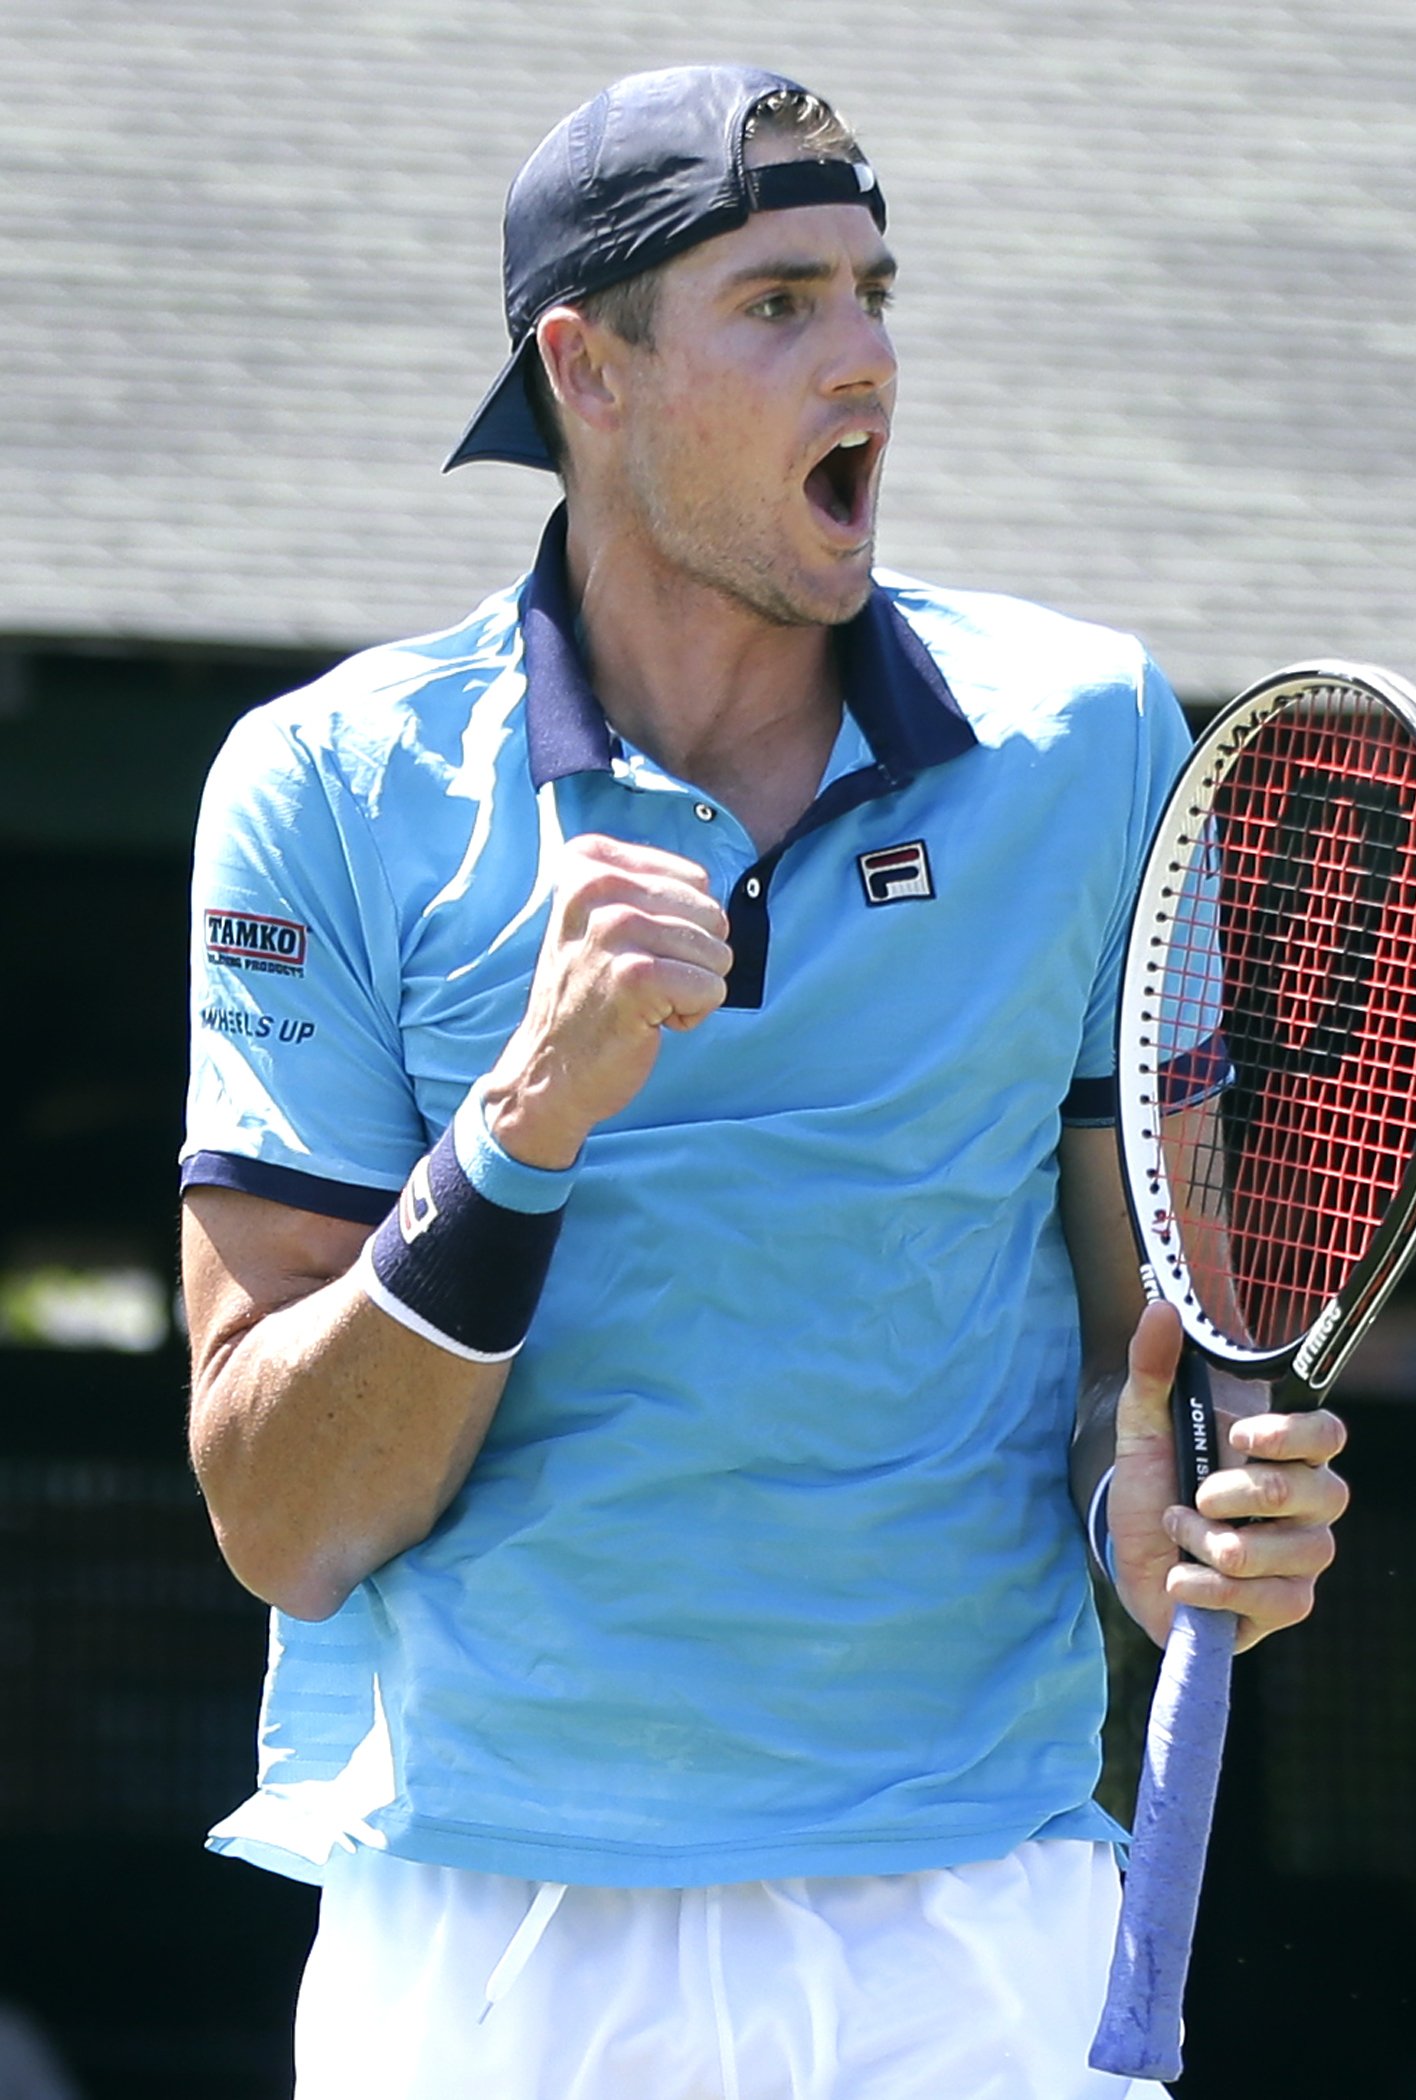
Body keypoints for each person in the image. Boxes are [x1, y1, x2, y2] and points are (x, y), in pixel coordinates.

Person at [180, 64, 1348, 2100]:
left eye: (877, 291)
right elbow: (281, 1515)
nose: (867, 357)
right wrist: (522, 1122)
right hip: (487, 1936)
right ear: (587, 369)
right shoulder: (321, 790)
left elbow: (1139, 1348)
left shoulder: (1088, 744)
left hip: (974, 1914)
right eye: (781, 300)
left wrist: (1164, 1504)